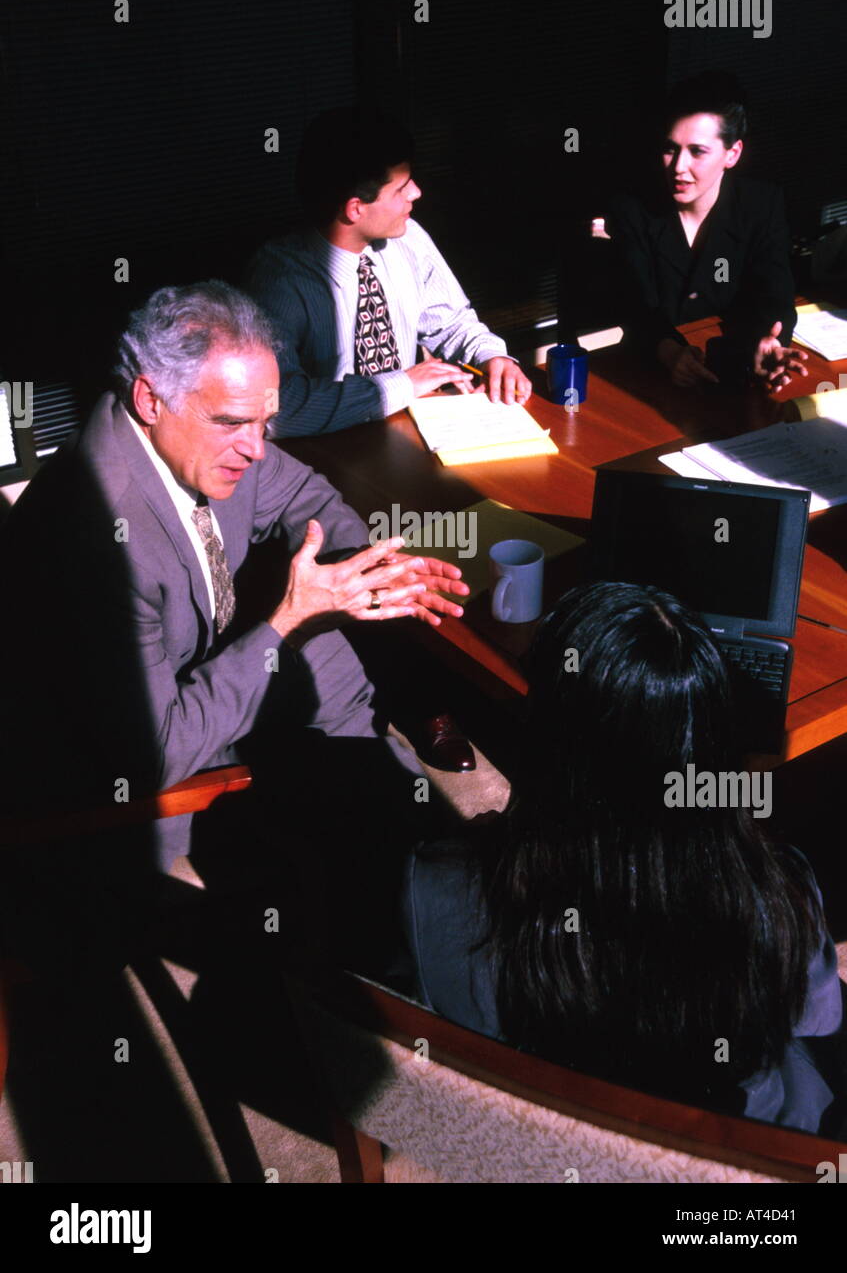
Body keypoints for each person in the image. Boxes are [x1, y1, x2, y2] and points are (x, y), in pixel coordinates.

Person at [0, 281, 469, 878]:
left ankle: (408, 844)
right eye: (232, 423)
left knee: (333, 662)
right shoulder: (97, 538)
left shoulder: (205, 438)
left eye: (265, 422)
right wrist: (286, 621)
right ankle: (403, 882)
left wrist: (362, 565)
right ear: (149, 399)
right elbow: (152, 753)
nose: (255, 449)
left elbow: (303, 492)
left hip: (191, 673)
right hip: (112, 768)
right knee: (330, 746)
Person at [403, 581, 845, 1133]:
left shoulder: (434, 886)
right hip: (735, 1175)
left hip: (547, 1149)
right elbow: (818, 1021)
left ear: (545, 733)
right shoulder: (784, 892)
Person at [243, 107, 532, 437]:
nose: (416, 193)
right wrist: (401, 385)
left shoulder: (408, 237)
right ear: (356, 208)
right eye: (401, 189)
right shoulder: (279, 281)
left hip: (414, 435)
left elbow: (450, 322)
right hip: (334, 453)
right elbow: (275, 407)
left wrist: (492, 357)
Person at [606, 72, 807, 391]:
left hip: (734, 370)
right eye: (670, 149)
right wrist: (670, 353)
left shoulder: (761, 203)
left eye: (697, 151)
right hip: (651, 376)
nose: (678, 167)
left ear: (733, 154)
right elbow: (635, 306)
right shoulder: (632, 209)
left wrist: (769, 340)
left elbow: (774, 292)